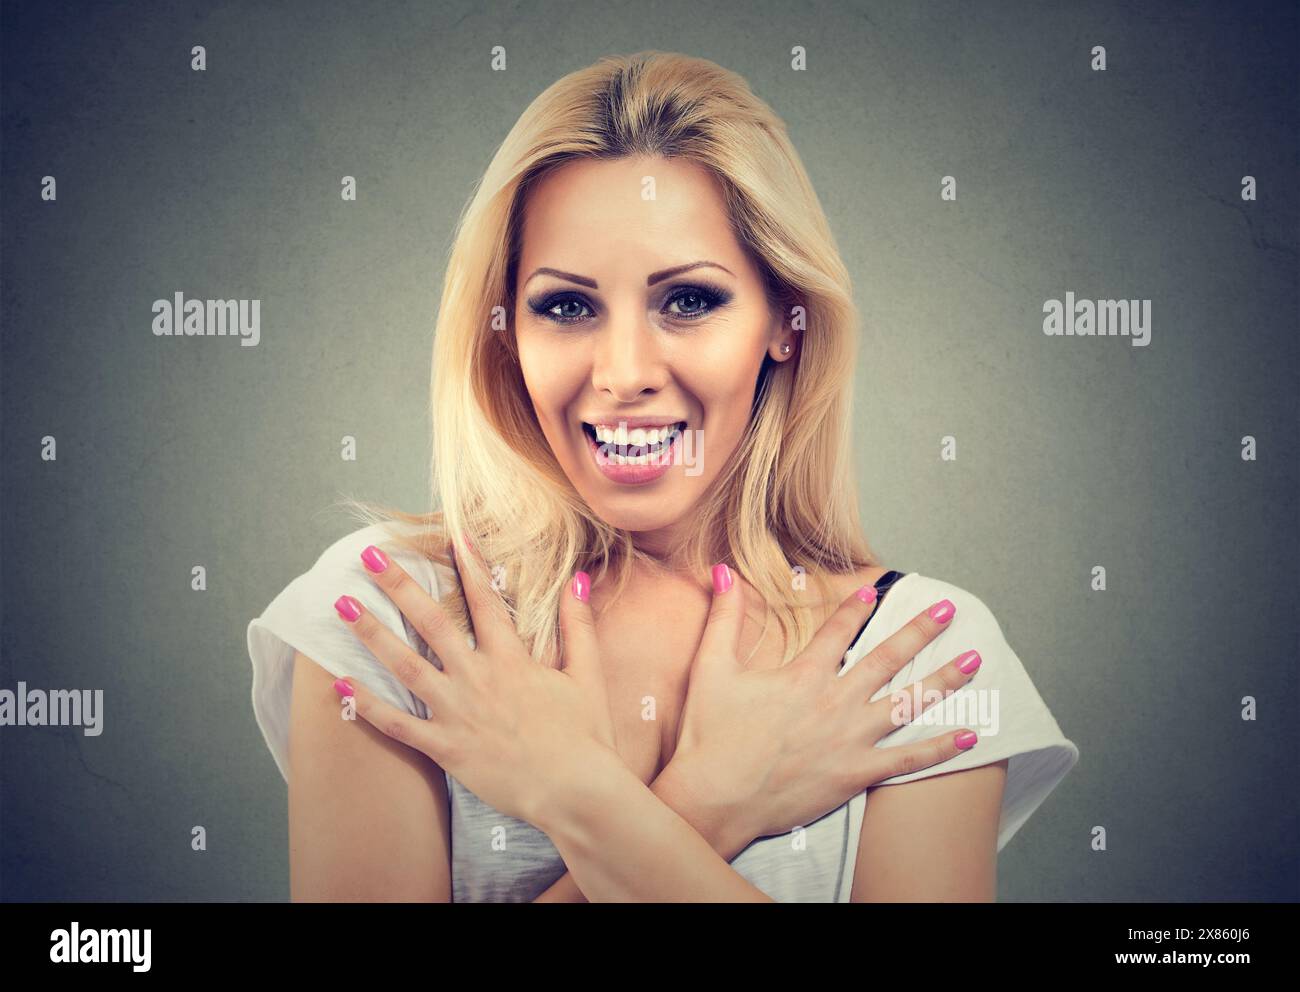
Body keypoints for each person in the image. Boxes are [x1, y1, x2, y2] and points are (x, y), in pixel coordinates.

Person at [246, 50, 1079, 902]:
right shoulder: (394, 618)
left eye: (688, 300)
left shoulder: (912, 657)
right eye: (566, 306)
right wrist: (711, 806)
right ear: (505, 331)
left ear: (784, 320)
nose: (624, 373)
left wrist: (578, 795)